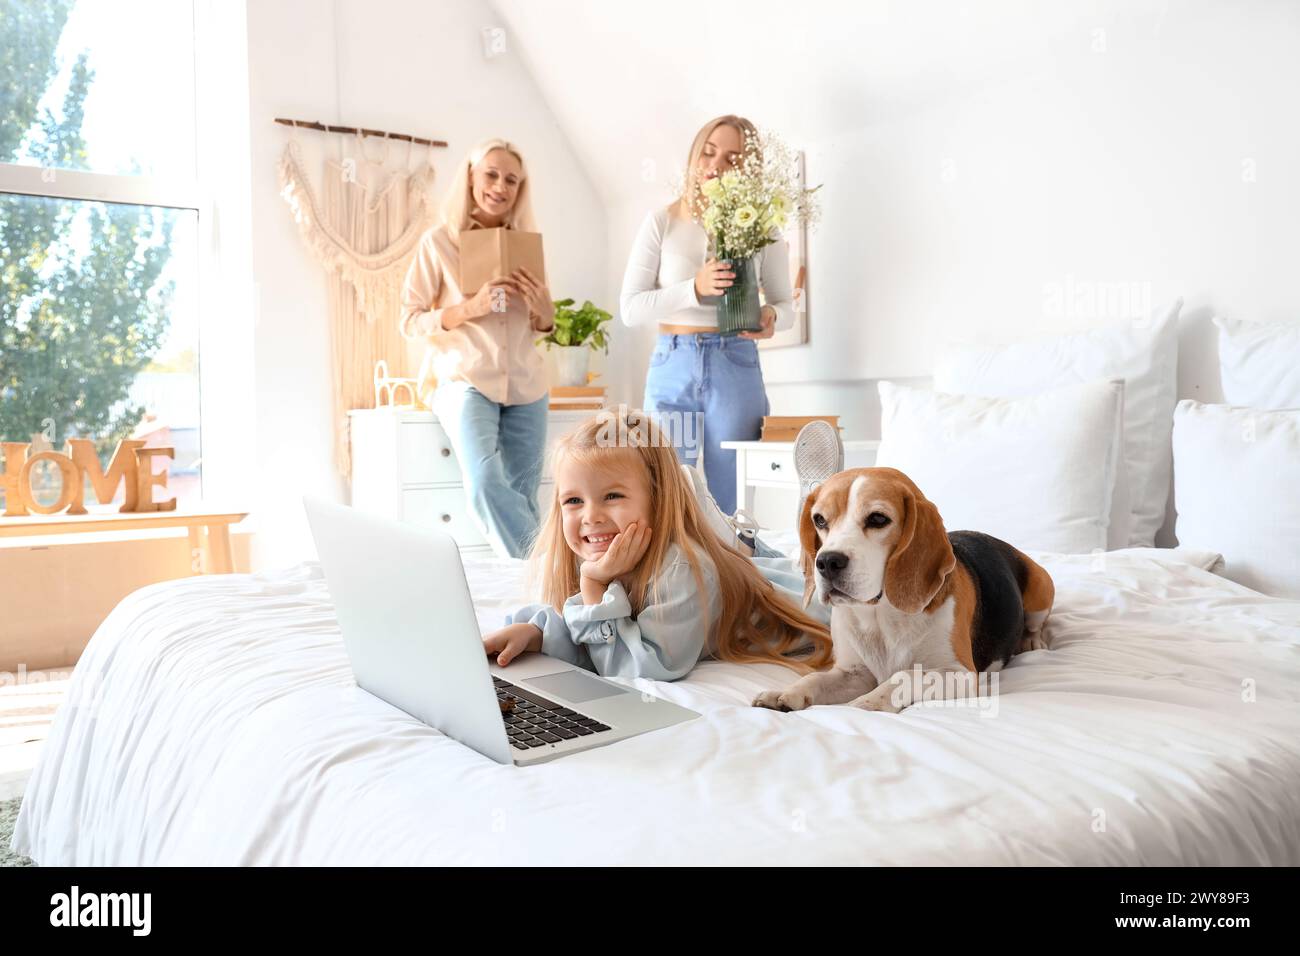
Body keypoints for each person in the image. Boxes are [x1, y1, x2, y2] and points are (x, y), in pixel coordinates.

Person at [480, 409, 832, 681]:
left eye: (612, 496)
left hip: (811, 602)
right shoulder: (597, 550)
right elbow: (602, 635)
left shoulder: (682, 570)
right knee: (743, 559)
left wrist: (593, 584)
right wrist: (539, 634)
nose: (590, 516)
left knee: (802, 571)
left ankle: (794, 528)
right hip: (746, 572)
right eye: (573, 501)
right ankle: (737, 539)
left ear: (658, 500)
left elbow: (636, 665)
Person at [619, 114, 796, 515]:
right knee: (665, 485)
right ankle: (669, 575)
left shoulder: (763, 230)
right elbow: (630, 308)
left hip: (735, 360)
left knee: (728, 494)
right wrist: (693, 289)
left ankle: (731, 573)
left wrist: (771, 316)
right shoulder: (662, 222)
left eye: (732, 159)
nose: (716, 165)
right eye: (709, 152)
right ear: (695, 156)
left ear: (748, 170)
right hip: (672, 360)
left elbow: (787, 307)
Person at [399, 138, 554, 559]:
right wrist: (471, 307)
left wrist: (545, 312)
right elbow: (409, 320)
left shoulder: (526, 246)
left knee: (523, 496)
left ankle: (531, 598)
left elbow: (541, 326)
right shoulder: (440, 243)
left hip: (527, 385)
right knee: (486, 483)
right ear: (470, 176)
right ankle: (548, 573)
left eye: (511, 180)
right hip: (465, 379)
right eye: (491, 174)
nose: (500, 187)